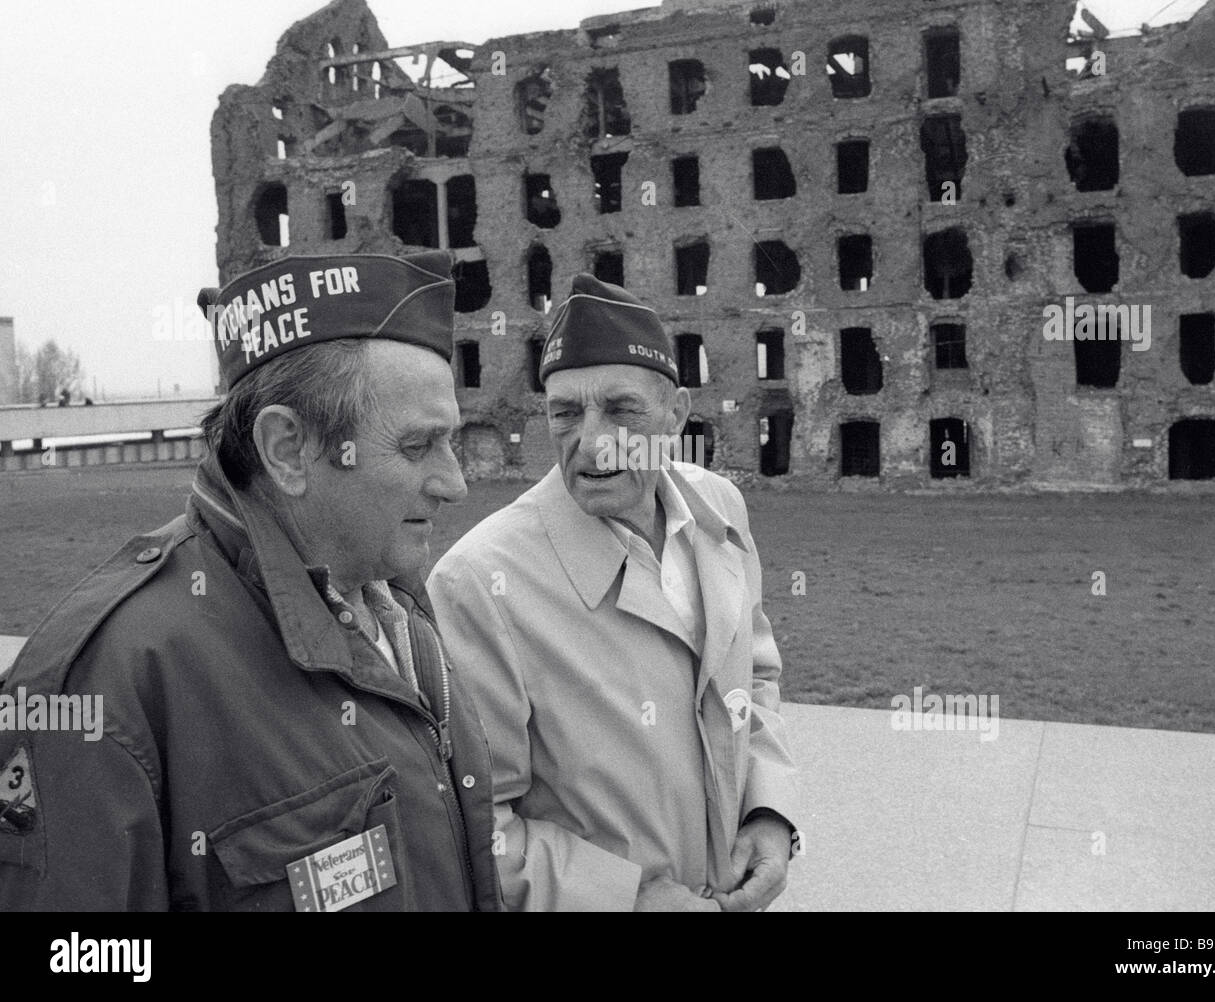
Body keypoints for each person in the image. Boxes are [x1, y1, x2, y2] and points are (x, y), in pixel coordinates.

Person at [0, 251, 503, 912]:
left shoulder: (399, 604)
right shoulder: (109, 684)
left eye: (453, 444)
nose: (455, 484)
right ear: (287, 449)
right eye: (417, 447)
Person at [428, 274, 799, 912]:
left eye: (621, 409)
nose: (593, 442)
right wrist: (631, 901)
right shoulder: (478, 585)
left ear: (676, 414)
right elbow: (476, 821)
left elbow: (754, 679)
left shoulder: (719, 507)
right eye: (566, 412)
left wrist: (769, 812)